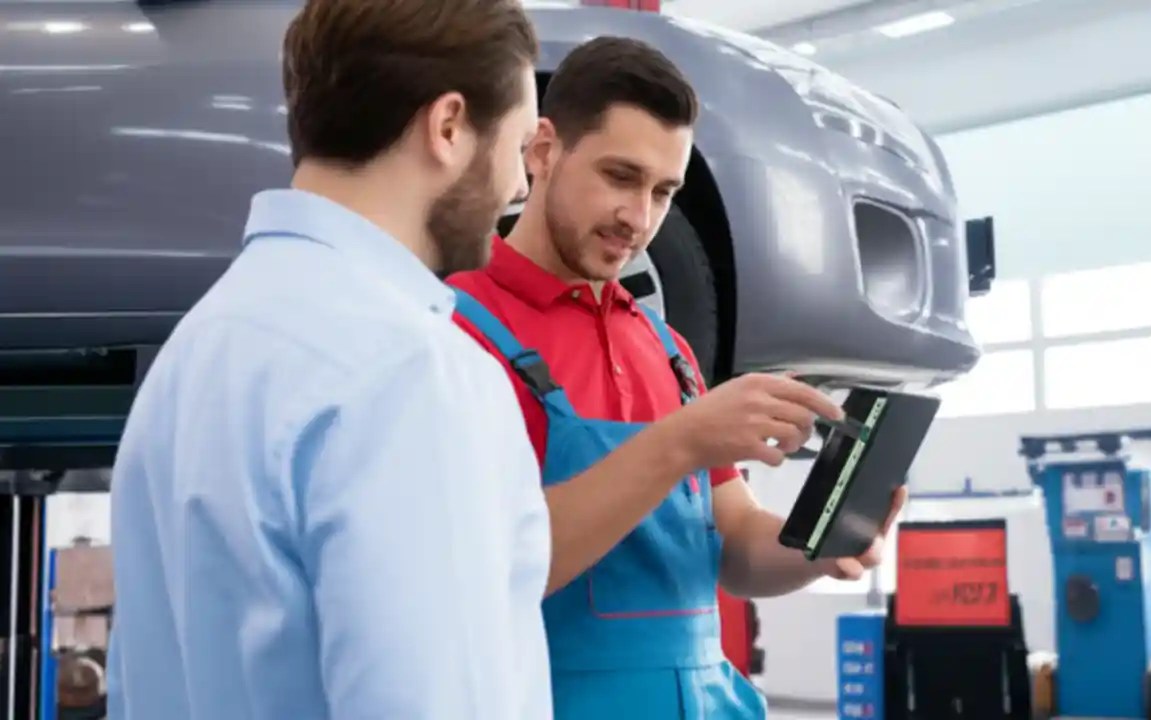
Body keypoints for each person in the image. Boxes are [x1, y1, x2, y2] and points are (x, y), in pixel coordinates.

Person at [107, 1, 552, 718]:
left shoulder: (193, 353)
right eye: (519, 143)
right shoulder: (410, 371)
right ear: (447, 127)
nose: (521, 186)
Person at [448, 37, 906, 719]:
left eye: (663, 191)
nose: (640, 218)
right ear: (542, 150)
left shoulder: (668, 350)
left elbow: (733, 545)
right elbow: (497, 571)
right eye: (619, 176)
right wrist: (681, 443)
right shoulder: (459, 334)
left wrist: (817, 549)